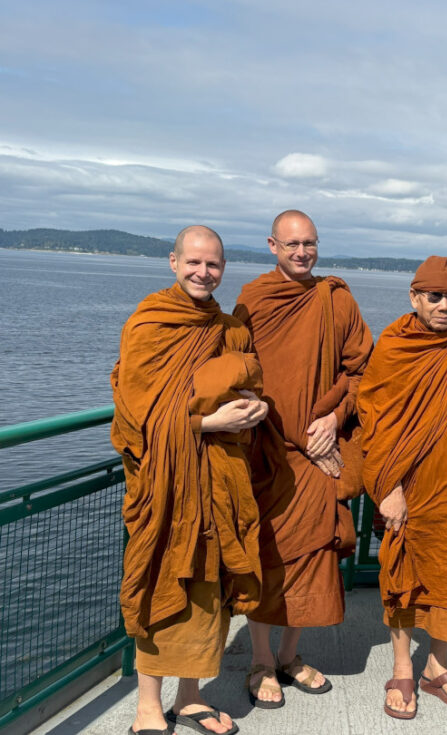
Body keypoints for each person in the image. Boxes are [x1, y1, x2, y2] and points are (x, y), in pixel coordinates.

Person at [111, 225, 268, 735]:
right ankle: (147, 708)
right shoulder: (150, 323)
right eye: (194, 262)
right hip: (167, 484)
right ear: (173, 262)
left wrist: (259, 405)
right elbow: (138, 415)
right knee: (163, 580)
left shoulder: (229, 328)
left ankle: (192, 697)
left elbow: (247, 381)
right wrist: (208, 423)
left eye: (214, 264)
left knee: (210, 586)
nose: (204, 272)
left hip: (218, 481)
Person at [233, 210, 373, 708]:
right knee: (267, 558)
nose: (301, 252)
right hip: (266, 452)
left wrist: (335, 420)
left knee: (313, 559)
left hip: (317, 454)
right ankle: (260, 661)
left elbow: (362, 372)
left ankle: (290, 657)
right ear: (273, 245)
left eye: (309, 243)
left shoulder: (336, 298)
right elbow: (234, 368)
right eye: (291, 244)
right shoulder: (253, 299)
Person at [357, 256, 447, 719]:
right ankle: (403, 667)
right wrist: (388, 487)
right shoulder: (393, 347)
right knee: (402, 576)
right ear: (414, 297)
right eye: (436, 297)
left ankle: (437, 667)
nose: (445, 306)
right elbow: (373, 419)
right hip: (408, 486)